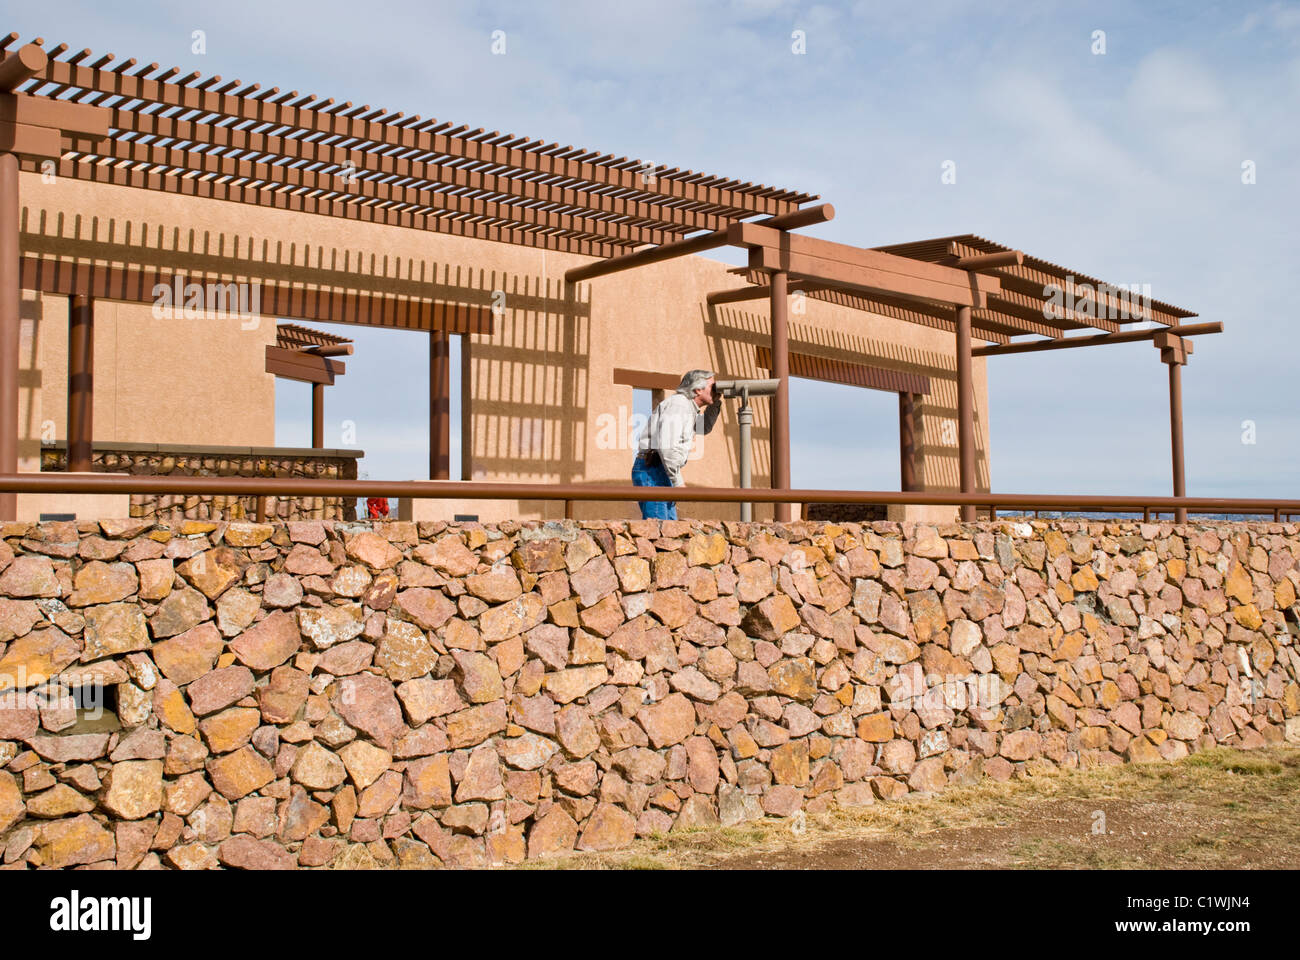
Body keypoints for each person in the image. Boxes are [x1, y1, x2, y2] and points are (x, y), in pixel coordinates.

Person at [631, 369, 722, 520]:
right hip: (653, 469)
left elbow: (703, 427)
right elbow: (667, 446)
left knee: (669, 528)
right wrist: (678, 482)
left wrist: (716, 402)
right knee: (660, 528)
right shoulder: (679, 405)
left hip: (661, 470)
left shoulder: (688, 407)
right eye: (712, 386)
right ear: (698, 389)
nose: (716, 389)